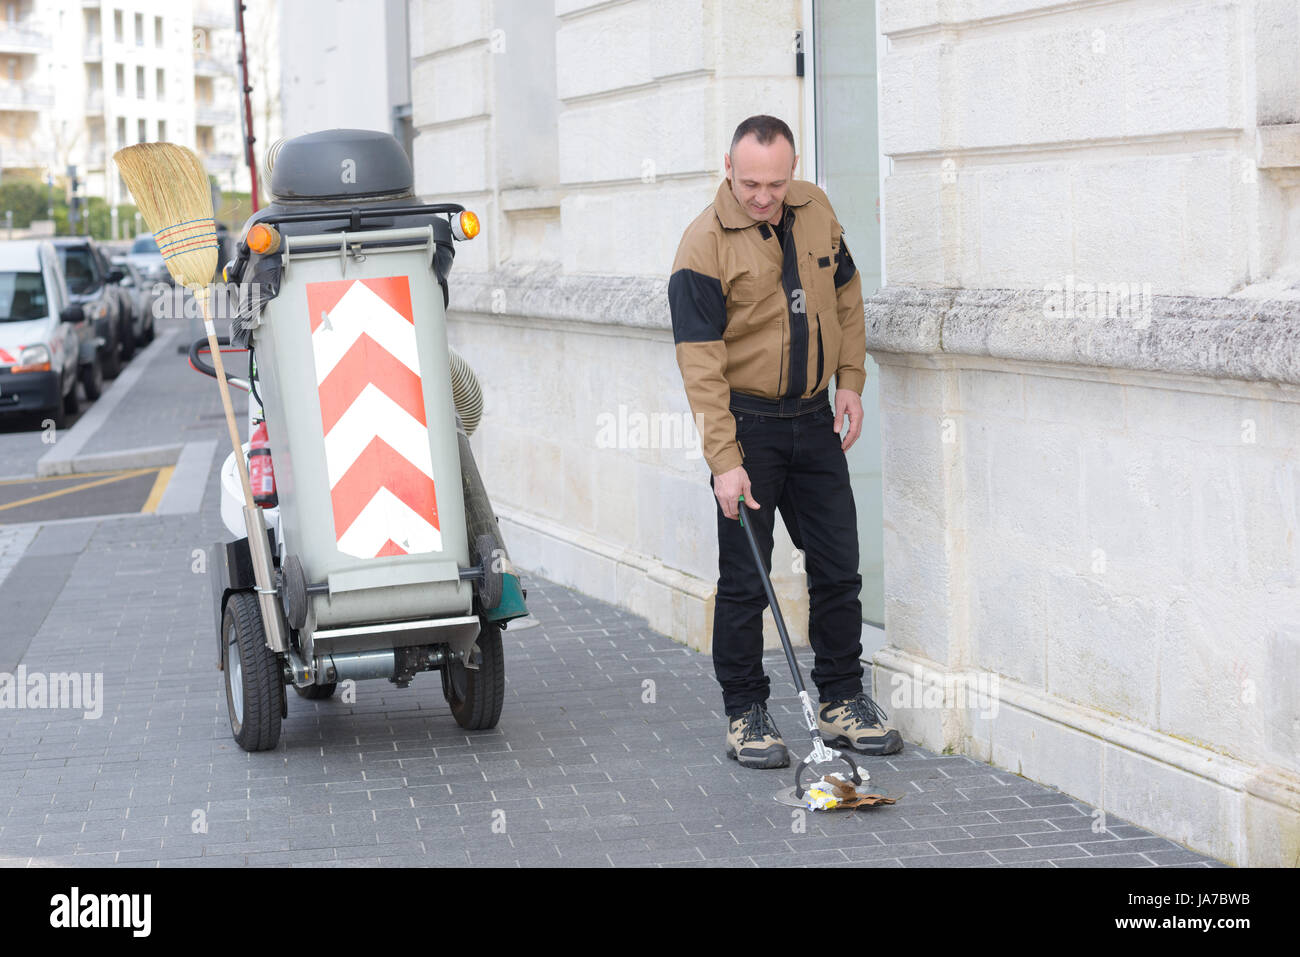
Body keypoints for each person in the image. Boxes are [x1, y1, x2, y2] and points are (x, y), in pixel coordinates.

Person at [668, 114, 903, 769]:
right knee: (746, 580)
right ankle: (746, 712)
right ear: (728, 168)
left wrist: (851, 379)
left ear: (793, 170)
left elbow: (847, 292)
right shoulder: (703, 246)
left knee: (839, 567)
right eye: (751, 184)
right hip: (748, 428)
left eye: (776, 182)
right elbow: (700, 362)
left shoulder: (816, 209)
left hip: (815, 418)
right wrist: (724, 462)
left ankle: (841, 698)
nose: (764, 196)